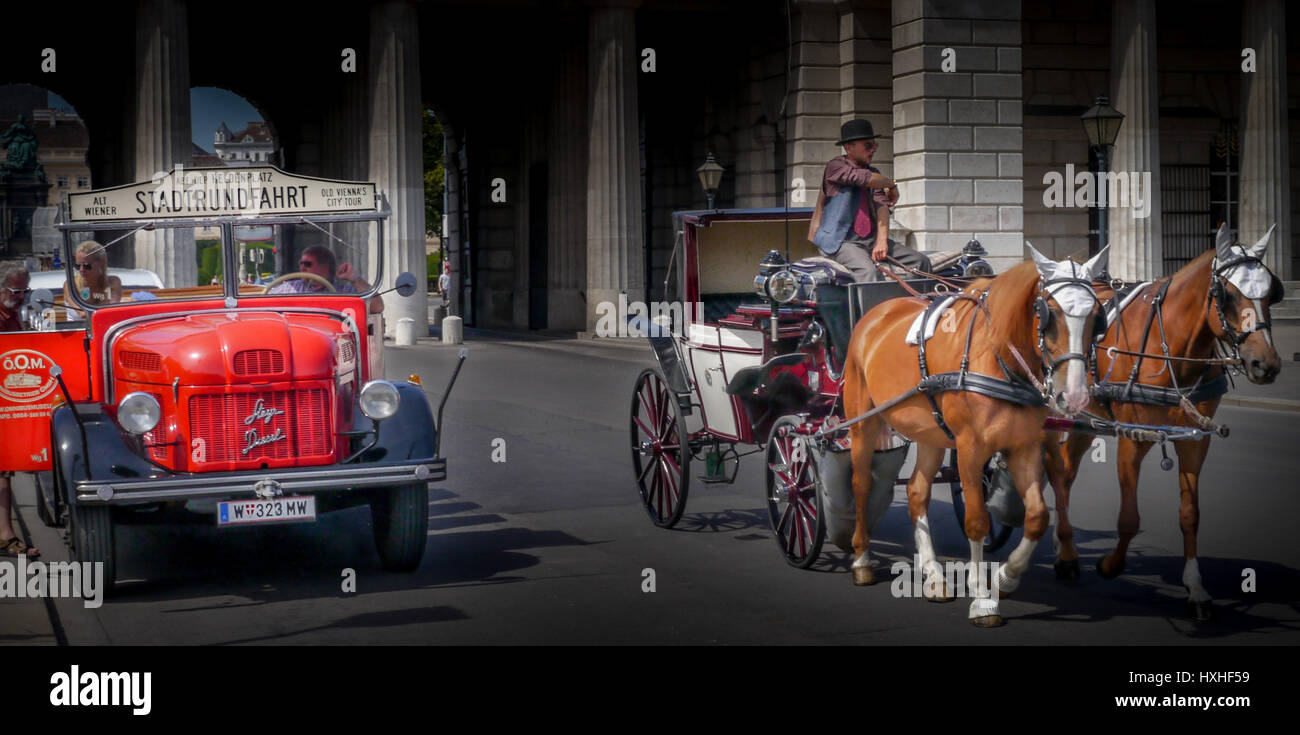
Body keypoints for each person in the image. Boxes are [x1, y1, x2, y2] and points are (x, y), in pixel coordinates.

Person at [808, 119, 932, 282]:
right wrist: (891, 184)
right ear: (848, 147)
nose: (873, 149)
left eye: (875, 145)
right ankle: (870, 308)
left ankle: (911, 304)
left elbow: (881, 206)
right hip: (842, 241)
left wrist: (881, 242)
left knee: (921, 261)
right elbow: (861, 178)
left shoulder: (875, 174)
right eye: (868, 145)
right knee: (868, 272)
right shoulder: (836, 166)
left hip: (870, 239)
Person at [0, 262, 39, 558]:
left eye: (26, 290)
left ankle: (6, 535)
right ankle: (6, 536)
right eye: (17, 290)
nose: (23, 296)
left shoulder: (13, 314)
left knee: (4, 470)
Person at [270, 244, 384, 314]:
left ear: (325, 267)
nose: (302, 268)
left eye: (308, 264)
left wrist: (354, 278)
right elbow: (263, 304)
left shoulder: (343, 293)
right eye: (301, 263)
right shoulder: (288, 289)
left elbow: (377, 307)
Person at [63, 240, 123, 317]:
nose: (81, 270)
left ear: (101, 262)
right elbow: (83, 314)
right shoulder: (70, 285)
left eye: (87, 266)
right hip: (78, 328)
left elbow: (111, 310)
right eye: (78, 266)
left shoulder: (113, 282)